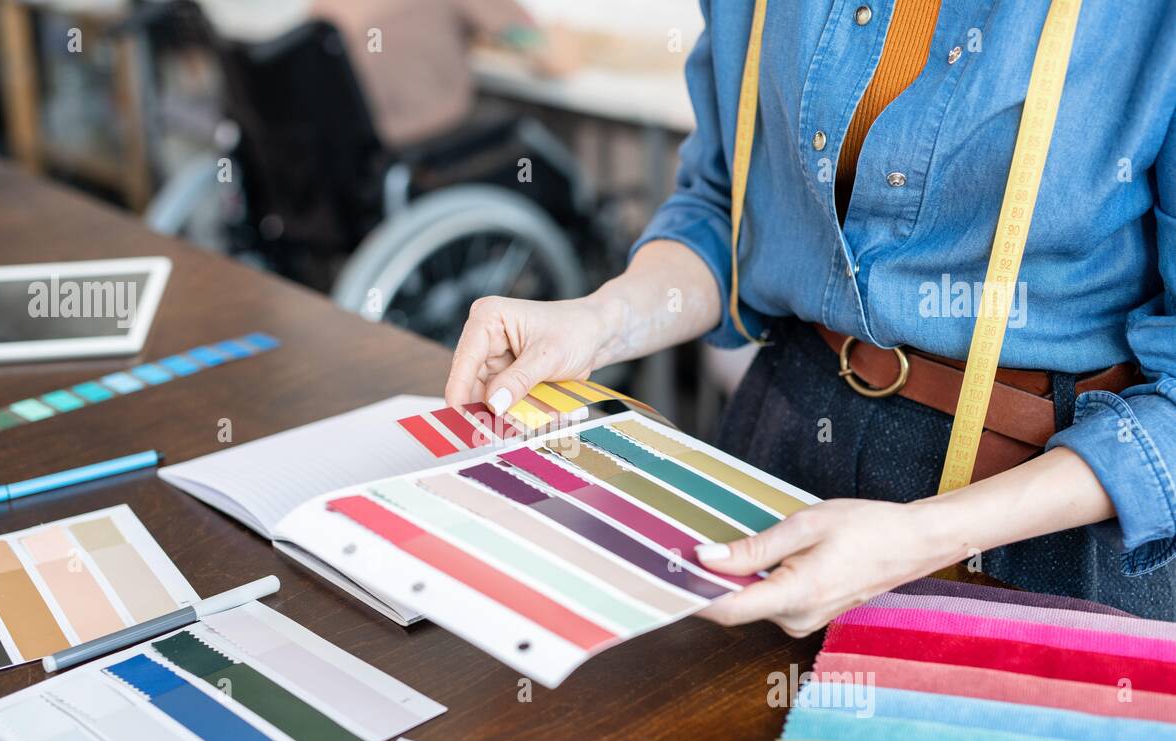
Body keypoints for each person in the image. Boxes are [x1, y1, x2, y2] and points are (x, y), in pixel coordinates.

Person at [443, 0, 1176, 629]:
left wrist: (925, 537)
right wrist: (599, 320)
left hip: (1040, 519)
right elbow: (725, 212)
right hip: (782, 435)